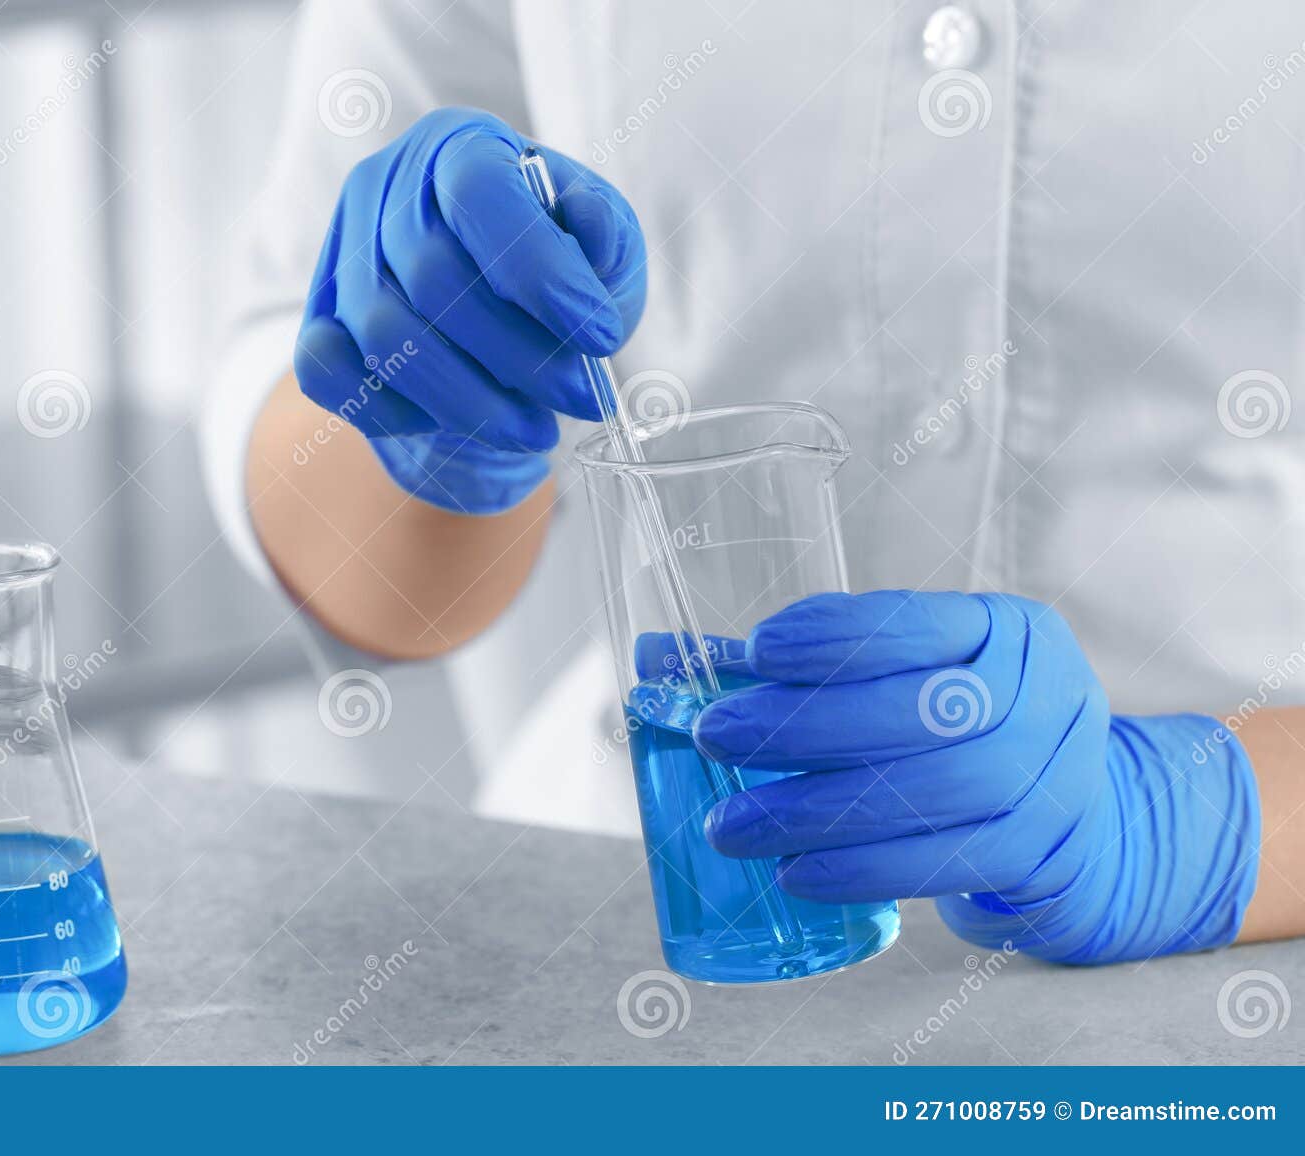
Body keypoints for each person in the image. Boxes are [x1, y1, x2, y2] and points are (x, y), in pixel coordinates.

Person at [201, 1, 1305, 963]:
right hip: (634, 925)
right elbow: (376, 574)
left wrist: (1191, 822)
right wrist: (430, 418)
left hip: (1243, 954)